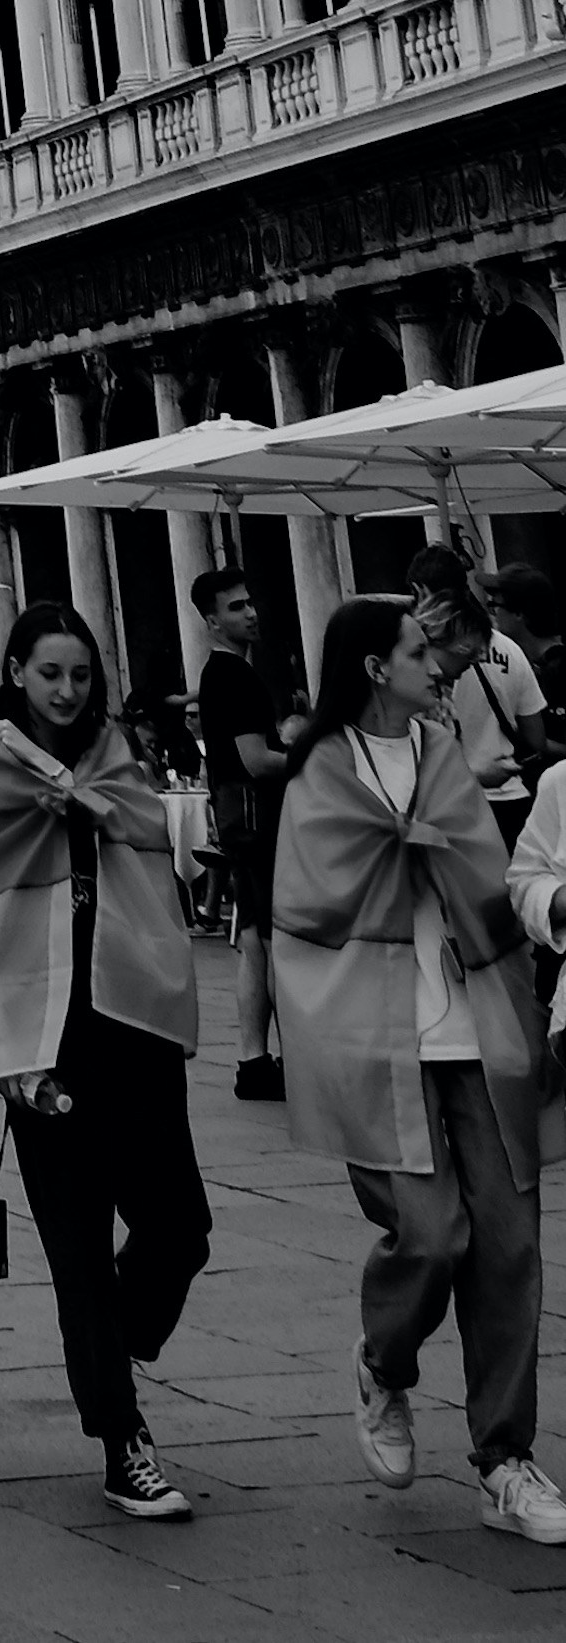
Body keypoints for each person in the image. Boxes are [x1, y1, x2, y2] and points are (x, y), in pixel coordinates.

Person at [279, 585, 566, 1538]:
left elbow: (483, 873)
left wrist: (438, 847)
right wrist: (412, 846)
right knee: (432, 1234)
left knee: (511, 1242)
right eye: (416, 649)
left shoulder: (441, 753)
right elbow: (312, 897)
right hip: (373, 1036)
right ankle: (383, 1362)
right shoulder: (319, 765)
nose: (434, 662)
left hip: (476, 1023)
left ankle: (506, 1458)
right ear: (375, 667)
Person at [0, 605, 206, 1521]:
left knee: (181, 1224)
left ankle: (116, 1338)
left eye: (81, 674)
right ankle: (121, 1437)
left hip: (129, 1014)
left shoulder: (114, 751)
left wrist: (97, 806)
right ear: (15, 669)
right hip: (43, 1028)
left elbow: (145, 826)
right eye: (49, 671)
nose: (67, 690)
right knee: (76, 1247)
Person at [189, 566, 305, 1097]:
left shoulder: (224, 674)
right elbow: (255, 760)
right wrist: (311, 755)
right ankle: (293, 1059)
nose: (251, 611)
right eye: (236, 607)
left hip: (241, 820)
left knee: (255, 940)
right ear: (211, 619)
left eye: (250, 601)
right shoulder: (231, 675)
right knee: (274, 940)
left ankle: (254, 1062)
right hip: (259, 821)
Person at [413, 550, 552, 847]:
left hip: (453, 809)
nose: (474, 660)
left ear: (419, 590)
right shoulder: (508, 649)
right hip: (498, 801)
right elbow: (536, 739)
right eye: (469, 654)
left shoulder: (418, 680)